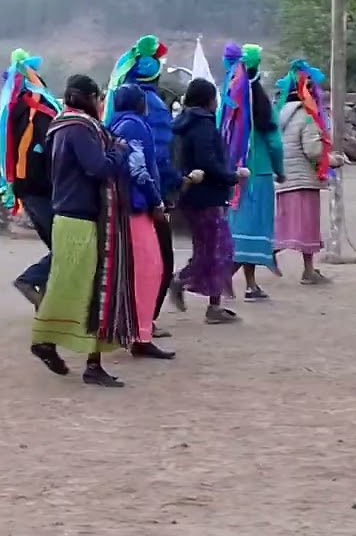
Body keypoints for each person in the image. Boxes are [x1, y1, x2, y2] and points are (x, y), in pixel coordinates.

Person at [29, 74, 136, 388]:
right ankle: (86, 361)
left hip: (66, 214)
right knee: (95, 291)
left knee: (69, 286)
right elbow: (99, 167)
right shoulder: (80, 128)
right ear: (90, 97)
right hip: (83, 217)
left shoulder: (60, 127)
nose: (101, 103)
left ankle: (50, 341)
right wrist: (120, 150)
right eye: (99, 97)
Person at [103, 34, 182, 338]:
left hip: (125, 198)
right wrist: (165, 192)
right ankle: (144, 323)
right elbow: (151, 161)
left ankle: (137, 321)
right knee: (158, 261)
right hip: (143, 200)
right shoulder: (148, 112)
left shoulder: (117, 114)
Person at [170, 78, 249, 324]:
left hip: (190, 196)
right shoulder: (203, 125)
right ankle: (190, 287)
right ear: (208, 100)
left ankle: (202, 294)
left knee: (207, 248)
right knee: (220, 250)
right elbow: (208, 161)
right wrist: (231, 177)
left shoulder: (181, 125)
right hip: (208, 196)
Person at [108, 83, 175, 360]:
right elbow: (138, 167)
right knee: (149, 270)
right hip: (137, 207)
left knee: (138, 270)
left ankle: (136, 332)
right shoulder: (134, 126)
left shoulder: (114, 124)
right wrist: (156, 199)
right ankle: (140, 335)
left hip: (125, 205)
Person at [217, 43, 285, 300]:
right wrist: (280, 170)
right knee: (254, 230)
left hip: (234, 172)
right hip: (260, 172)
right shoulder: (262, 104)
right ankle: (228, 277)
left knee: (240, 228)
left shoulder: (229, 99)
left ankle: (250, 284)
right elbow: (275, 143)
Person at [0, 49, 61, 307]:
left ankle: (47, 300)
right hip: (39, 187)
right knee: (64, 248)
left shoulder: (19, 109)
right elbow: (42, 150)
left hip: (29, 186)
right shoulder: (35, 111)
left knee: (59, 246)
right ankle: (29, 280)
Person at [273, 59, 343, 285]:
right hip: (303, 179)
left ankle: (269, 258)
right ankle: (307, 270)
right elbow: (313, 150)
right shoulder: (307, 115)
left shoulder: (280, 114)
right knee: (306, 227)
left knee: (285, 226)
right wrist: (333, 160)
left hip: (285, 178)